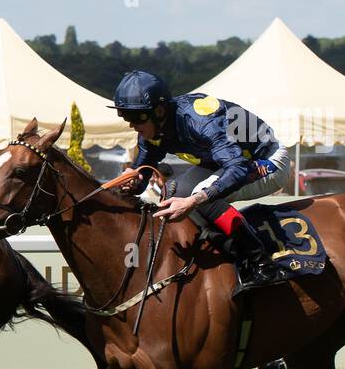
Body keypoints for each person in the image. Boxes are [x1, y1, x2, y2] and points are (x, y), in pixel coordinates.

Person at [110, 69, 291, 289]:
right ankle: (221, 246)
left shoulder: (200, 121)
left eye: (135, 117)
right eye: (125, 116)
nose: (131, 124)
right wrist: (132, 181)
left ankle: (261, 263)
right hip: (225, 163)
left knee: (200, 194)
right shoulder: (153, 129)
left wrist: (194, 201)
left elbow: (237, 169)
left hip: (266, 161)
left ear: (158, 111)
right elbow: (141, 176)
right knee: (173, 191)